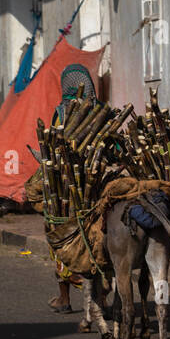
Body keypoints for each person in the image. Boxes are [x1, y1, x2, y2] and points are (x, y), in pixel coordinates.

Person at [47, 63, 98, 315]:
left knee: (57, 231)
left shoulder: (60, 113)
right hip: (95, 185)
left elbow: (53, 147)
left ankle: (64, 298)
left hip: (66, 189)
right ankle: (104, 300)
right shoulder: (99, 111)